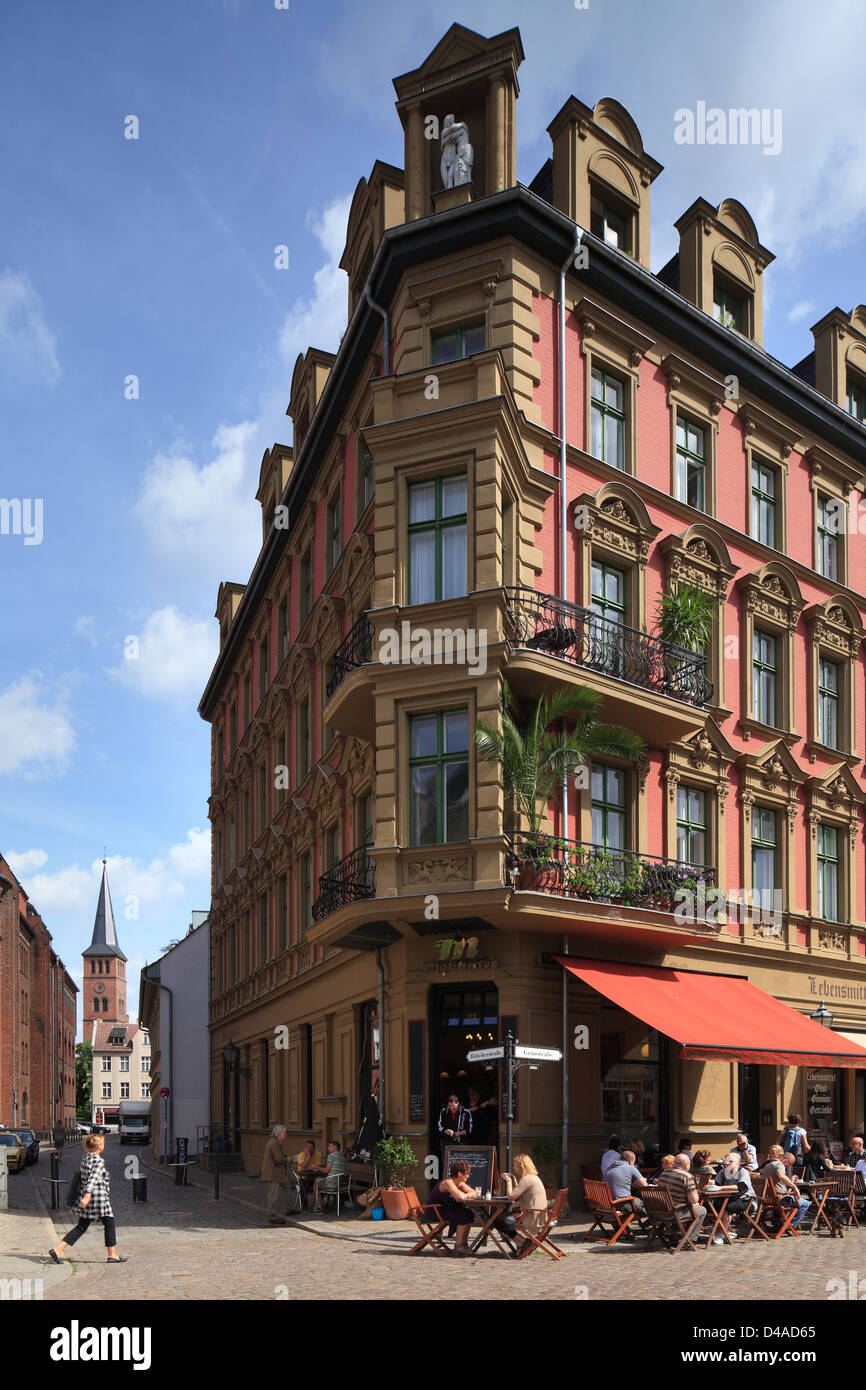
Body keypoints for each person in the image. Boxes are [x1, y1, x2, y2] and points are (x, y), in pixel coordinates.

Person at [48, 1133, 126, 1264]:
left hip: (89, 1196)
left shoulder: (86, 1157)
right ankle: (112, 1254)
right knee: (109, 1223)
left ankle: (58, 1249)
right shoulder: (98, 1161)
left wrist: (86, 1195)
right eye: (102, 1143)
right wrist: (87, 1195)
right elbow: (92, 1179)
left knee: (82, 1225)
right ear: (98, 1146)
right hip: (98, 1197)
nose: (104, 1145)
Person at [422, 1158, 479, 1256]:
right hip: (434, 1212)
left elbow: (475, 1192)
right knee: (463, 1214)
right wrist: (466, 1195)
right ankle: (458, 1246)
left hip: (443, 1210)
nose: (468, 1175)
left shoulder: (459, 1183)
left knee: (468, 1213)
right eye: (467, 1173)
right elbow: (460, 1197)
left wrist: (467, 1194)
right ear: (460, 1173)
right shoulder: (448, 1183)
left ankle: (464, 1244)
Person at [500, 1154, 549, 1255]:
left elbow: (511, 1197)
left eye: (515, 1165)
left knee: (500, 1221)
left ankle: (522, 1242)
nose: (514, 1168)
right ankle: (521, 1243)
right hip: (539, 1215)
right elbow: (519, 1193)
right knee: (503, 1220)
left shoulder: (526, 1179)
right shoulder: (533, 1178)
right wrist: (514, 1180)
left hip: (531, 1217)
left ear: (521, 1166)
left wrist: (508, 1181)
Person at [654, 1154, 706, 1240]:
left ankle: (676, 1236)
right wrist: (696, 1193)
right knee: (701, 1210)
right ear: (686, 1165)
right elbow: (693, 1200)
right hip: (675, 1212)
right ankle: (690, 1239)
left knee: (684, 1208)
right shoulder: (686, 1176)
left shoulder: (664, 1173)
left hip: (661, 1211)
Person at [763, 1144, 810, 1228]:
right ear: (784, 1158)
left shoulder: (767, 1165)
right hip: (780, 1199)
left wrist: (790, 1182)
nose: (789, 1166)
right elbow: (781, 1176)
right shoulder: (779, 1164)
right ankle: (791, 1225)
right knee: (805, 1203)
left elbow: (778, 1182)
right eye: (790, 1163)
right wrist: (795, 1187)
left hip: (768, 1199)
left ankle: (779, 1225)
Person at [605, 1148, 648, 1222]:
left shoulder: (609, 1168)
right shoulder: (630, 1167)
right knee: (647, 1205)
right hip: (621, 1204)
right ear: (631, 1161)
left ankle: (620, 1226)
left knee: (637, 1203)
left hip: (607, 1204)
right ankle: (648, 1223)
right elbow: (644, 1185)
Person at [261, 1124, 290, 1225]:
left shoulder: (274, 1141)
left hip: (277, 1172)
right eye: (285, 1133)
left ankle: (289, 1209)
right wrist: (287, 1159)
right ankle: (272, 1215)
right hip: (274, 1173)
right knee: (273, 1195)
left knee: (287, 1187)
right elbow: (278, 1159)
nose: (286, 1135)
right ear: (280, 1133)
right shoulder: (275, 1143)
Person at [313, 1140, 347, 1211]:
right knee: (320, 1181)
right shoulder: (342, 1156)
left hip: (332, 1184)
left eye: (329, 1146)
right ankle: (321, 1203)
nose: (328, 1148)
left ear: (335, 1147)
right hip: (341, 1184)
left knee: (316, 1183)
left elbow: (326, 1170)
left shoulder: (331, 1155)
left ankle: (319, 1207)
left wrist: (316, 1167)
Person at [438, 1094, 471, 1160]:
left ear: (457, 1103)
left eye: (453, 1106)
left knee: (461, 1163)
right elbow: (440, 1126)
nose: (451, 1108)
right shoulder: (444, 1112)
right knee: (447, 1162)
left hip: (461, 1142)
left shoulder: (465, 1112)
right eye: (450, 1106)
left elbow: (469, 1129)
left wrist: (457, 1134)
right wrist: (446, 1131)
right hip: (447, 1142)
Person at [295, 1139, 322, 1209]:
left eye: (311, 1147)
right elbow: (303, 1166)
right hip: (303, 1177)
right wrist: (308, 1156)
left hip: (314, 1177)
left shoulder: (318, 1154)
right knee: (303, 1185)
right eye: (307, 1147)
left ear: (314, 1148)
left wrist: (309, 1168)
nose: (309, 1149)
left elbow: (318, 1167)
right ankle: (304, 1205)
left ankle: (318, 1204)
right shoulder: (301, 1155)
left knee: (321, 1183)